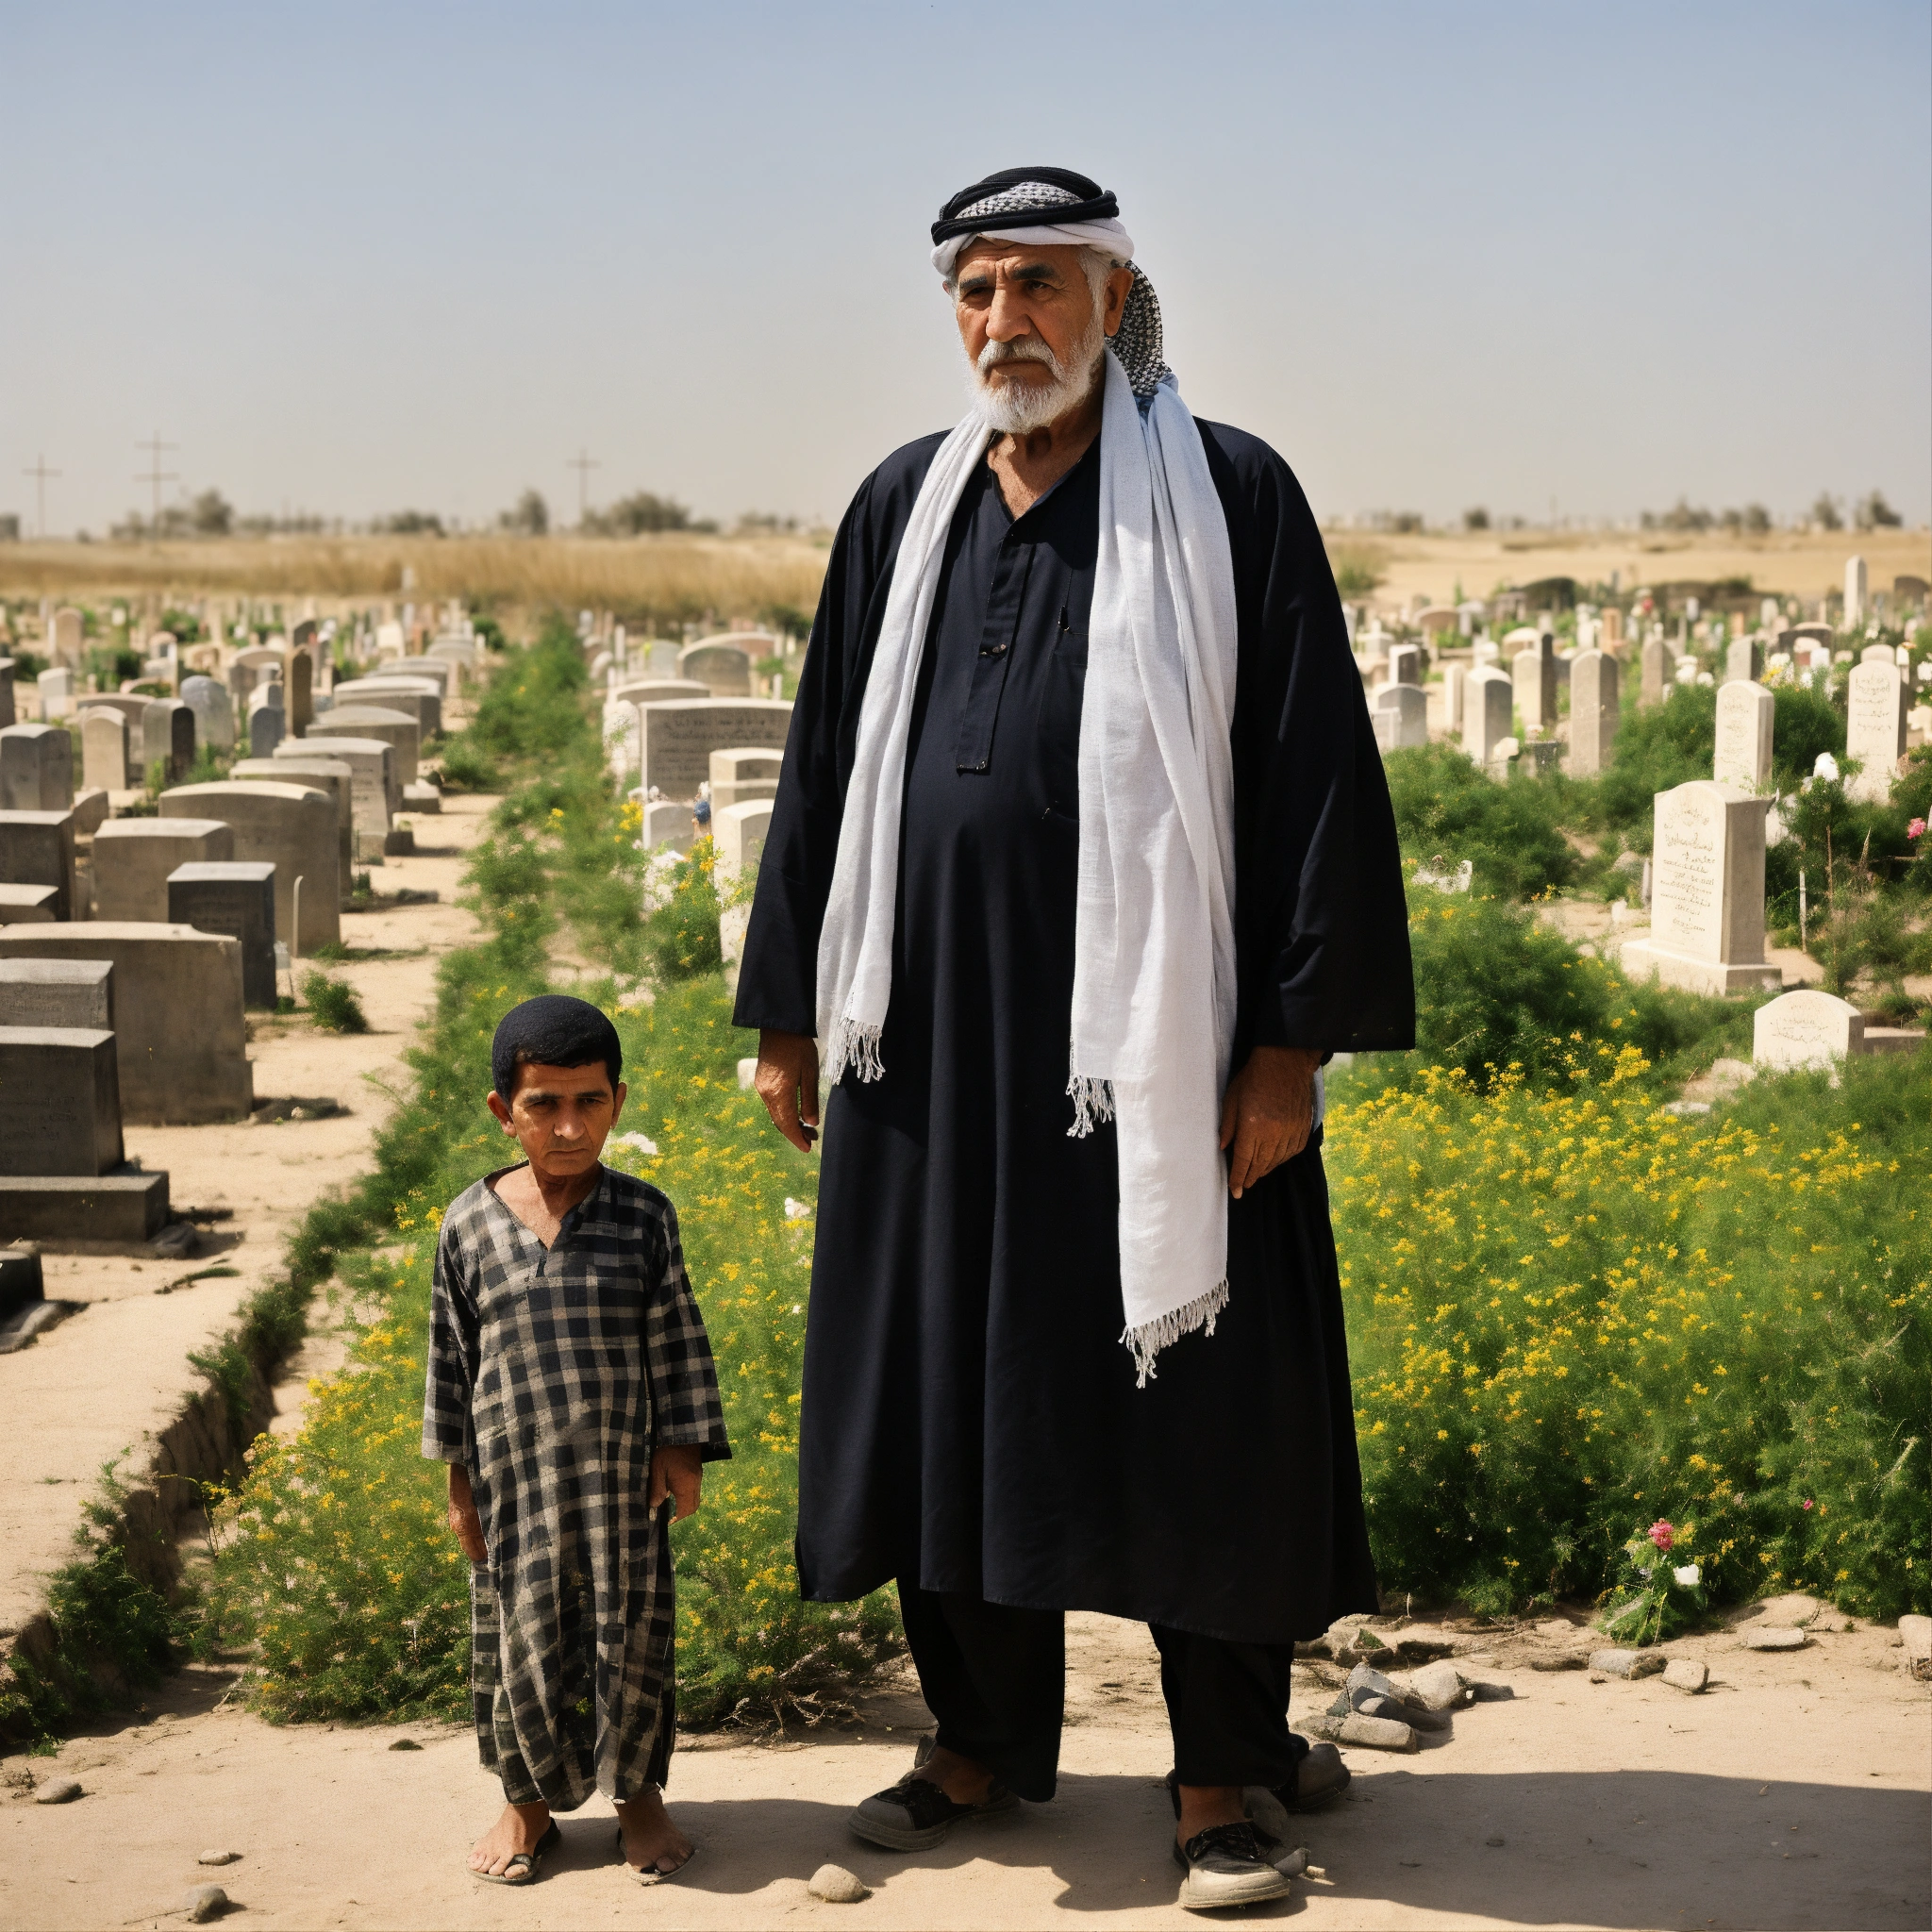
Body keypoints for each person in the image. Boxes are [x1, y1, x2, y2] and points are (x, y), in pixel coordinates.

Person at [735, 168, 1415, 1910]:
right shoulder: (905, 505)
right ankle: (977, 1741)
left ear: (1112, 302)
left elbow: (1313, 776)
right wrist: (791, 1011)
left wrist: (1283, 1049)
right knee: (954, 1387)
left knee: (1194, 1405)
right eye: (973, 289)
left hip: (1156, 1048)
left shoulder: (1226, 493)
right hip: (934, 1052)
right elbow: (825, 764)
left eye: (1038, 284)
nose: (1002, 321)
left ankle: (1221, 1771)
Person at [422, 994, 730, 1887]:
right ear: (502, 1111)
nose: (567, 1127)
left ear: (618, 1101)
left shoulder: (643, 1217)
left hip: (620, 1481)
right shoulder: (468, 1223)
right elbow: (450, 1360)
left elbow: (675, 1334)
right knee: (518, 1634)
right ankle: (527, 1803)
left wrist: (679, 1450)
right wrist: (459, 1485)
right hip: (513, 1483)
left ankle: (639, 1798)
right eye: (543, 1105)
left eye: (588, 1103)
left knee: (630, 1632)